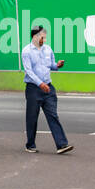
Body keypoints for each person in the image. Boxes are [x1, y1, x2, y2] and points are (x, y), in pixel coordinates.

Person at [22, 24, 73, 154]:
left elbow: (51, 65)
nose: (43, 40)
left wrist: (57, 65)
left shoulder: (48, 49)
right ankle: (30, 144)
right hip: (34, 89)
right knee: (32, 118)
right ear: (34, 36)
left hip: (48, 88)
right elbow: (29, 71)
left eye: (44, 38)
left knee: (53, 115)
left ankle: (62, 145)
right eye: (41, 37)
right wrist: (40, 84)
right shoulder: (26, 51)